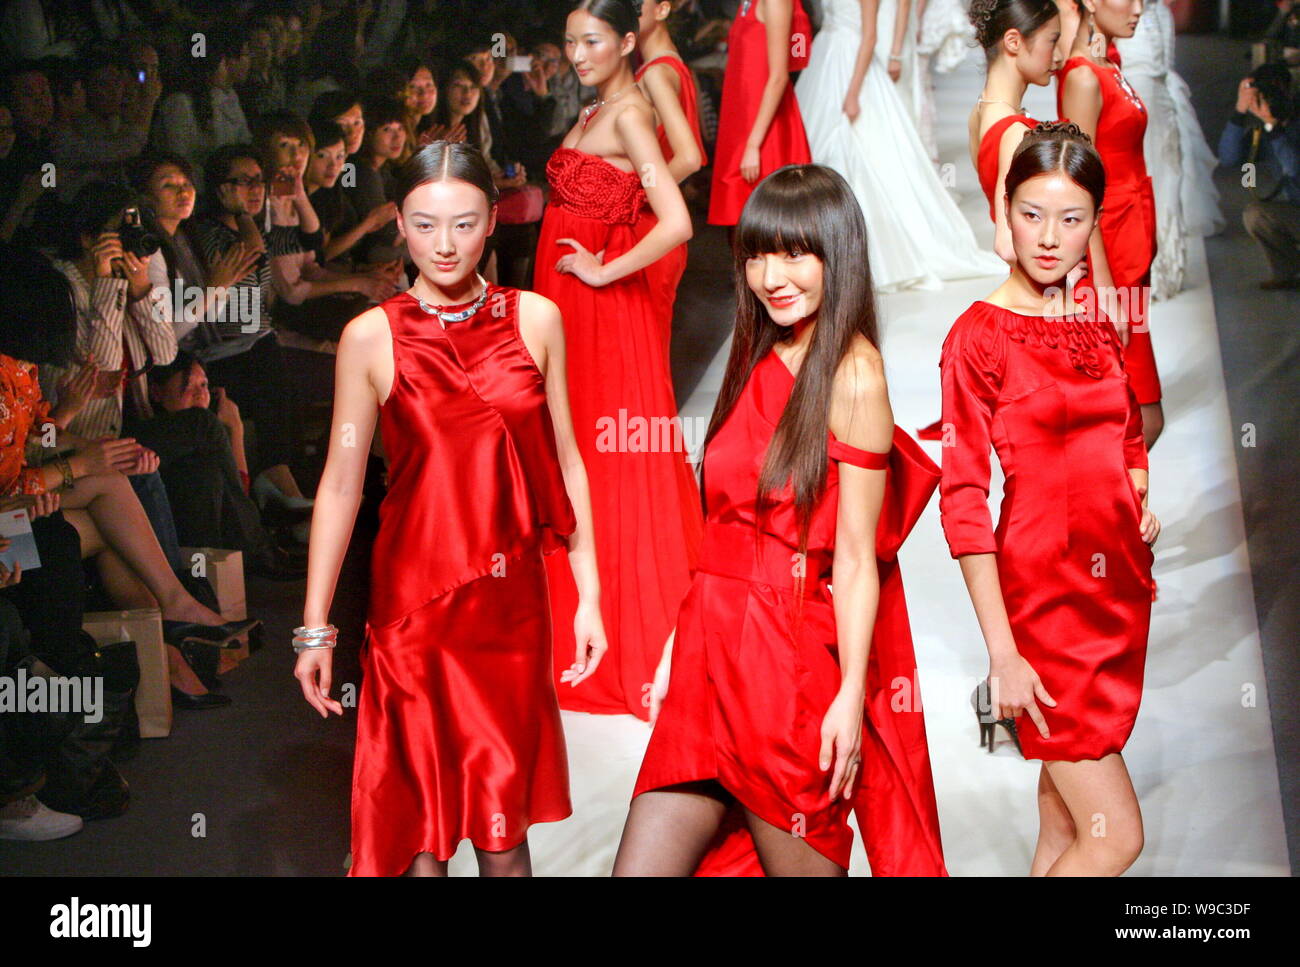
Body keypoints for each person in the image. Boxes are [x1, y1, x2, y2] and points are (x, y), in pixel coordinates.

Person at [615, 164, 945, 877]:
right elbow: (721, 527)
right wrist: (679, 642)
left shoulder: (854, 375)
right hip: (709, 655)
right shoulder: (759, 346)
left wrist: (850, 697)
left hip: (786, 667)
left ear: (837, 254)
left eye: (795, 252)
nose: (772, 275)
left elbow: (858, 560)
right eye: (758, 253)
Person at [294, 140, 606, 877]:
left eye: (464, 223)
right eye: (425, 224)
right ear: (398, 225)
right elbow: (341, 483)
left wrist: (590, 592)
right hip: (414, 604)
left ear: (493, 220)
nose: (444, 244)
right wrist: (315, 627)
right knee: (422, 827)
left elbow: (566, 458)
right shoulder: (369, 337)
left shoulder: (536, 318)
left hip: (510, 605)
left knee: (505, 831)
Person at [939, 122, 1159, 876]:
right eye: (1031, 213)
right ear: (1004, 210)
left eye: (1070, 219)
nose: (1048, 237)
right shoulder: (979, 337)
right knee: (1116, 836)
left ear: (1095, 222)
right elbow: (963, 499)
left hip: (1117, 595)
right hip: (1047, 604)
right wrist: (1003, 653)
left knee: (1064, 825)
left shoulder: (1095, 322)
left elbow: (1128, 435)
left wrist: (1134, 497)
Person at [534, 0, 700, 720]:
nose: (577, 53)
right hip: (570, 306)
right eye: (570, 41)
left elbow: (678, 219)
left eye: (592, 40)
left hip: (597, 311)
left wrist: (605, 272)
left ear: (627, 40)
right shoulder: (601, 104)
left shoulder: (630, 111)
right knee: (574, 450)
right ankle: (580, 626)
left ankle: (626, 639)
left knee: (602, 457)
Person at [795, 0, 1005, 292]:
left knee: (865, 157)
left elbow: (869, 36)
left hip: (854, 67)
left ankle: (865, 252)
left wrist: (854, 92)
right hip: (826, 61)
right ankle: (822, 247)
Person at [1057, 0, 1164, 449]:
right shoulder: (1083, 77)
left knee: (1136, 410)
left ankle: (1115, 513)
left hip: (1131, 247)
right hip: (1113, 258)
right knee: (1141, 412)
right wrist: (1103, 285)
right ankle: (1109, 512)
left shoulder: (1107, 62)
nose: (1138, 9)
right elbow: (1081, 185)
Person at [1115, 0, 1224, 299]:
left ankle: (1162, 264)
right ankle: (1143, 265)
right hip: (1133, 74)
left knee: (1166, 172)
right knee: (1145, 173)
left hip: (1158, 74)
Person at [635, 0, 707, 352]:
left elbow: (689, 156)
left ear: (662, 10)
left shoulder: (656, 73)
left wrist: (635, 195)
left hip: (650, 226)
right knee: (649, 348)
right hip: (658, 226)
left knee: (644, 348)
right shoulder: (669, 67)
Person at [708, 0, 813, 229]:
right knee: (741, 222)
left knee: (764, 222)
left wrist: (754, 144)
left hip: (762, 124)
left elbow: (779, 76)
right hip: (742, 118)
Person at [1218, 62, 1300, 290]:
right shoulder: (1262, 131)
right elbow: (1229, 158)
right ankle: (1286, 272)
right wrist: (1239, 112)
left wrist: (1275, 128)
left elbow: (1294, 170)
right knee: (1256, 215)